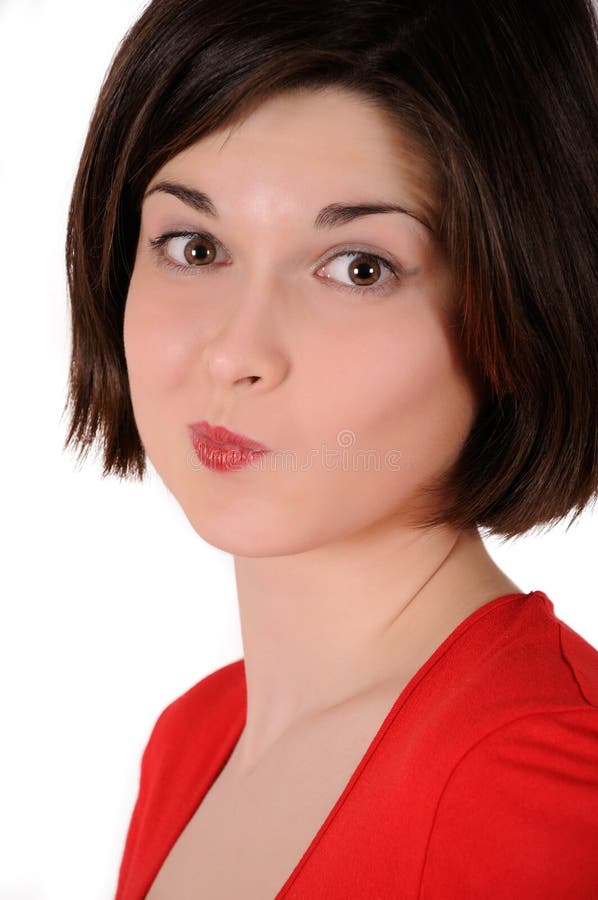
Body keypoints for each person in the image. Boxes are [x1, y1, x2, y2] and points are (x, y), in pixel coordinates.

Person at [63, 0, 598, 897]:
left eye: (359, 267)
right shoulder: (191, 743)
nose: (235, 352)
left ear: (522, 303)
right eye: (194, 247)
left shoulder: (545, 788)